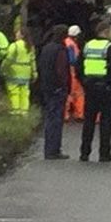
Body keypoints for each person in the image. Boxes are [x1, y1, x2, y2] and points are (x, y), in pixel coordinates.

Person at [77, 21, 111, 162]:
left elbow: (79, 66)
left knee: (89, 122)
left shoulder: (87, 46)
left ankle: (84, 153)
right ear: (105, 31)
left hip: (90, 87)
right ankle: (104, 153)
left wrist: (84, 82)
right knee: (106, 122)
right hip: (105, 88)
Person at [38, 25, 71, 160]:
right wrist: (65, 86)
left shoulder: (46, 48)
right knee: (56, 119)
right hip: (57, 88)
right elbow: (62, 71)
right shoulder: (60, 50)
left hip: (46, 86)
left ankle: (48, 149)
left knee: (49, 118)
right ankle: (54, 150)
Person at [1, 28, 37, 116]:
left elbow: (8, 59)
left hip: (14, 72)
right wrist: (34, 72)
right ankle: (24, 111)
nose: (16, 35)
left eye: (17, 34)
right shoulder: (30, 46)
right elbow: (33, 60)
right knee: (25, 93)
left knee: (14, 92)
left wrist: (2, 69)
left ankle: (15, 110)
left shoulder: (14, 45)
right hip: (26, 72)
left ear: (22, 35)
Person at [63, 25, 85, 122]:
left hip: (69, 71)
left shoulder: (66, 42)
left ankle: (66, 114)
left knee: (70, 93)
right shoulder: (71, 44)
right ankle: (79, 114)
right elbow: (72, 59)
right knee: (77, 93)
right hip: (73, 71)